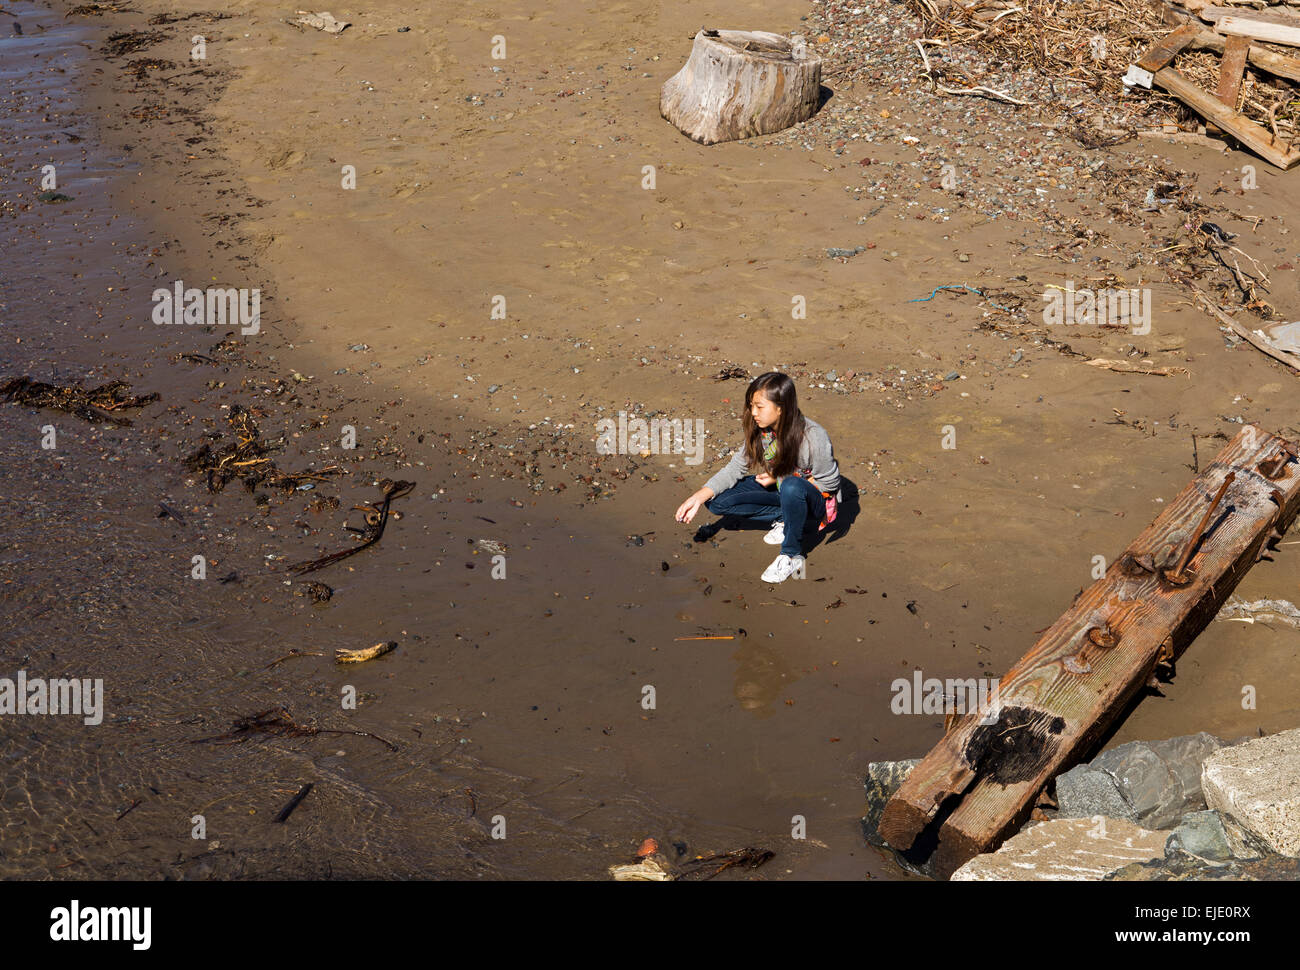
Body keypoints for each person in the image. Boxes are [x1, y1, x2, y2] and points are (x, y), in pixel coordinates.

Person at [675, 372, 841, 582]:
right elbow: (736, 467)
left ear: (781, 407)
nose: (753, 412)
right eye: (751, 405)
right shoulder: (763, 431)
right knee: (716, 502)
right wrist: (697, 497)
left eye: (759, 407)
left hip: (813, 504)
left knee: (791, 486)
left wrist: (781, 476)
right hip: (783, 489)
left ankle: (791, 555)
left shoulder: (812, 436)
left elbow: (830, 483)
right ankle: (785, 519)